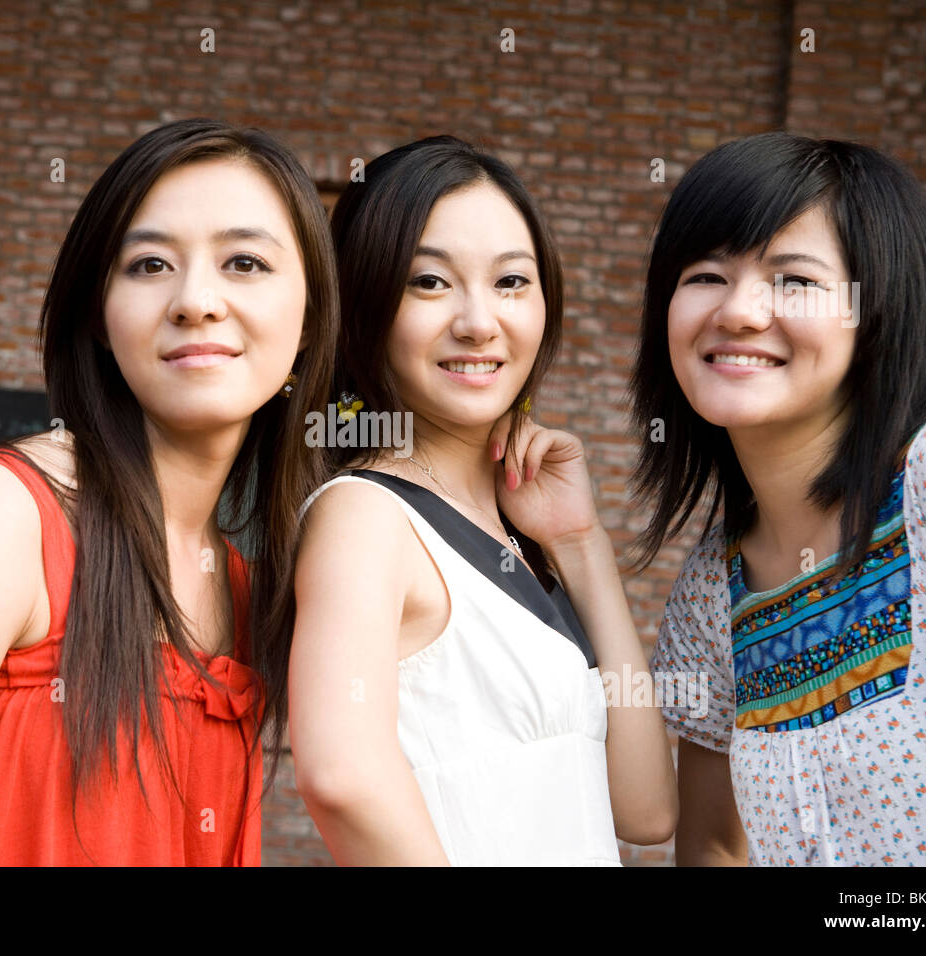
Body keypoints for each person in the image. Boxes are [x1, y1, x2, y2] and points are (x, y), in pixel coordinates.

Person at [0, 118, 339, 865]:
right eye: (149, 265)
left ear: (312, 317)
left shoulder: (249, 589)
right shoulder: (4, 514)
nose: (196, 300)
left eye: (244, 262)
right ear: (98, 315)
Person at [289, 135, 677, 865]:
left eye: (510, 282)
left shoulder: (521, 542)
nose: (477, 321)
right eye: (429, 282)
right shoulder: (365, 516)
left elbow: (647, 807)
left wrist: (581, 544)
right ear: (366, 307)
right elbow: (341, 776)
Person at [632, 131, 926, 865]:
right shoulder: (715, 591)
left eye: (793, 280)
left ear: (874, 314)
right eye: (706, 274)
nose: (740, 312)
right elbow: (710, 844)